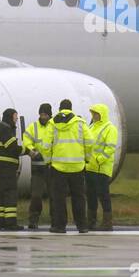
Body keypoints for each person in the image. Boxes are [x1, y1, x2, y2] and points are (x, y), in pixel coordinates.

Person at [45, 98, 90, 233]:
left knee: (59, 198)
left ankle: (59, 226)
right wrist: (86, 158)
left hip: (59, 167)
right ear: (71, 109)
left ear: (59, 109)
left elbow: (46, 145)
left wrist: (48, 160)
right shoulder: (80, 123)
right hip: (77, 166)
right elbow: (90, 142)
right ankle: (82, 226)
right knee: (79, 197)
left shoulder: (52, 123)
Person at [85, 103, 119, 231]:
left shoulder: (110, 128)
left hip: (101, 168)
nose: (93, 116)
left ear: (102, 114)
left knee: (103, 195)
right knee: (91, 195)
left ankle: (107, 222)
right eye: (93, 113)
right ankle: (91, 221)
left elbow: (110, 148)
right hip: (90, 167)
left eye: (96, 113)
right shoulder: (91, 126)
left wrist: (100, 160)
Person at [0, 107, 22, 231]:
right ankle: (10, 223)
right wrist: (28, 152)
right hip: (7, 167)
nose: (16, 119)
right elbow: (12, 147)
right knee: (10, 193)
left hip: (4, 166)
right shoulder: (6, 129)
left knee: (3, 194)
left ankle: (0, 221)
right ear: (10, 117)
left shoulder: (3, 128)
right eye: (15, 117)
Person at [21, 102, 54, 230]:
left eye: (45, 114)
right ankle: (33, 219)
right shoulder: (33, 127)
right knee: (36, 196)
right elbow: (26, 140)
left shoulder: (55, 127)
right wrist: (32, 152)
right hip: (37, 167)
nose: (43, 116)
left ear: (50, 115)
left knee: (54, 196)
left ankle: (55, 220)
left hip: (52, 167)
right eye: (41, 114)